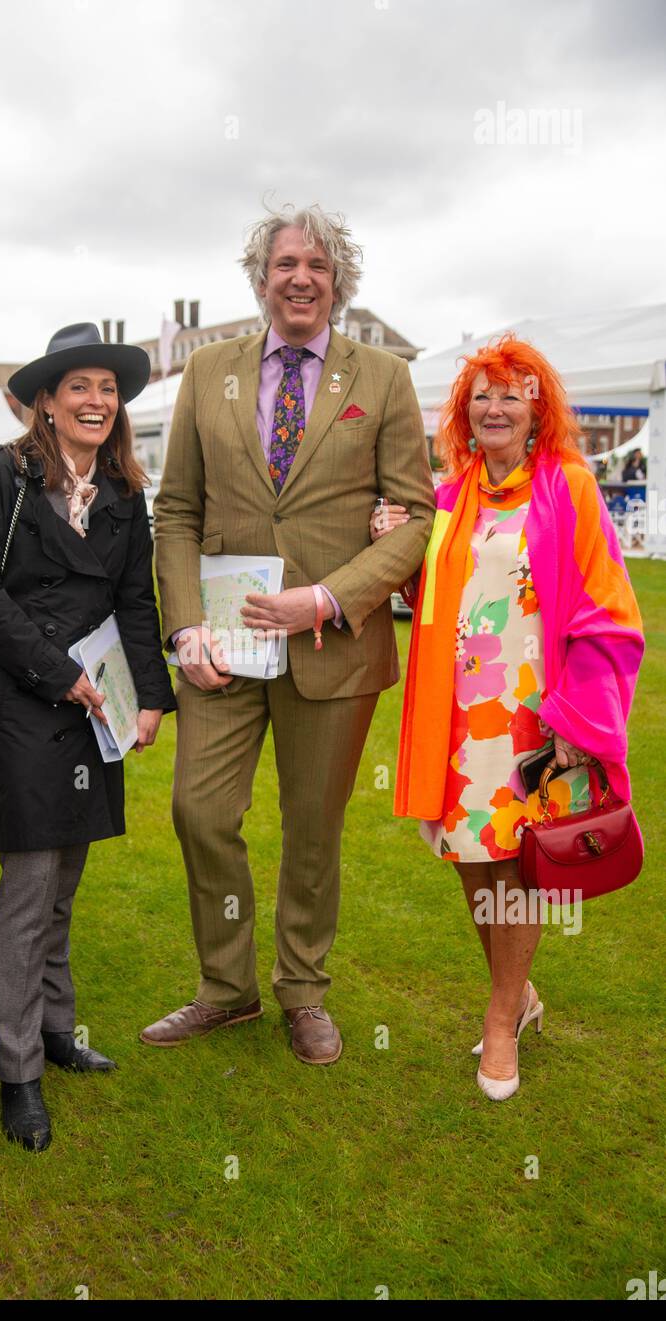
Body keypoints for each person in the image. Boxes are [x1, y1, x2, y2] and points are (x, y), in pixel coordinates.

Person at [141, 204, 435, 1064]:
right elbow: (178, 512)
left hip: (332, 647)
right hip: (224, 649)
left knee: (313, 828)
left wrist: (328, 600)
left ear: (337, 281)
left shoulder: (382, 377)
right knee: (200, 812)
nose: (300, 277)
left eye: (316, 264)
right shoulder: (207, 372)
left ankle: (303, 991)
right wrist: (187, 627)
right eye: (284, 264)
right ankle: (225, 991)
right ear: (260, 279)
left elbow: (415, 515)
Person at [389, 335, 644, 1101]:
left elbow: (610, 610)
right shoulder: (451, 496)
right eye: (483, 393)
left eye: (513, 393)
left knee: (522, 867)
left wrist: (580, 716)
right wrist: (402, 558)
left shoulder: (567, 485)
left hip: (540, 715)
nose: (496, 405)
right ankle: (522, 995)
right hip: (464, 718)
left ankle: (502, 1023)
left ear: (539, 411)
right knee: (475, 861)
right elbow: (435, 602)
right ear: (464, 411)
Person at [0, 323, 176, 1151]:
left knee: (65, 879)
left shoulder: (123, 492)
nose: (95, 401)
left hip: (96, 703)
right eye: (78, 386)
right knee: (27, 888)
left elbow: (137, 601)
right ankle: (19, 1076)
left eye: (107, 389)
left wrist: (148, 697)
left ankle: (56, 1030)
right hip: (25, 702)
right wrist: (56, 673)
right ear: (44, 402)